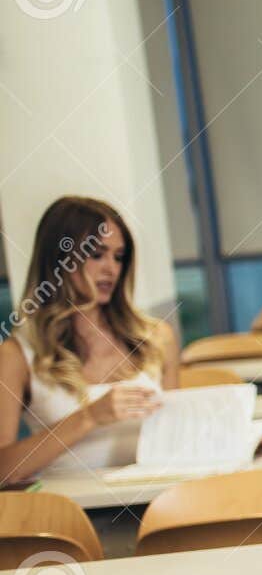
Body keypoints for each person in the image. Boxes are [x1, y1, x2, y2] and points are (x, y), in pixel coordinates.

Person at [0, 196, 177, 483]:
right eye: (96, 254)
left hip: (156, 501)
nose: (111, 269)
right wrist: (90, 417)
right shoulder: (16, 354)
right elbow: (3, 470)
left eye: (118, 257)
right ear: (59, 259)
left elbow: (177, 439)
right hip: (69, 509)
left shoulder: (157, 338)